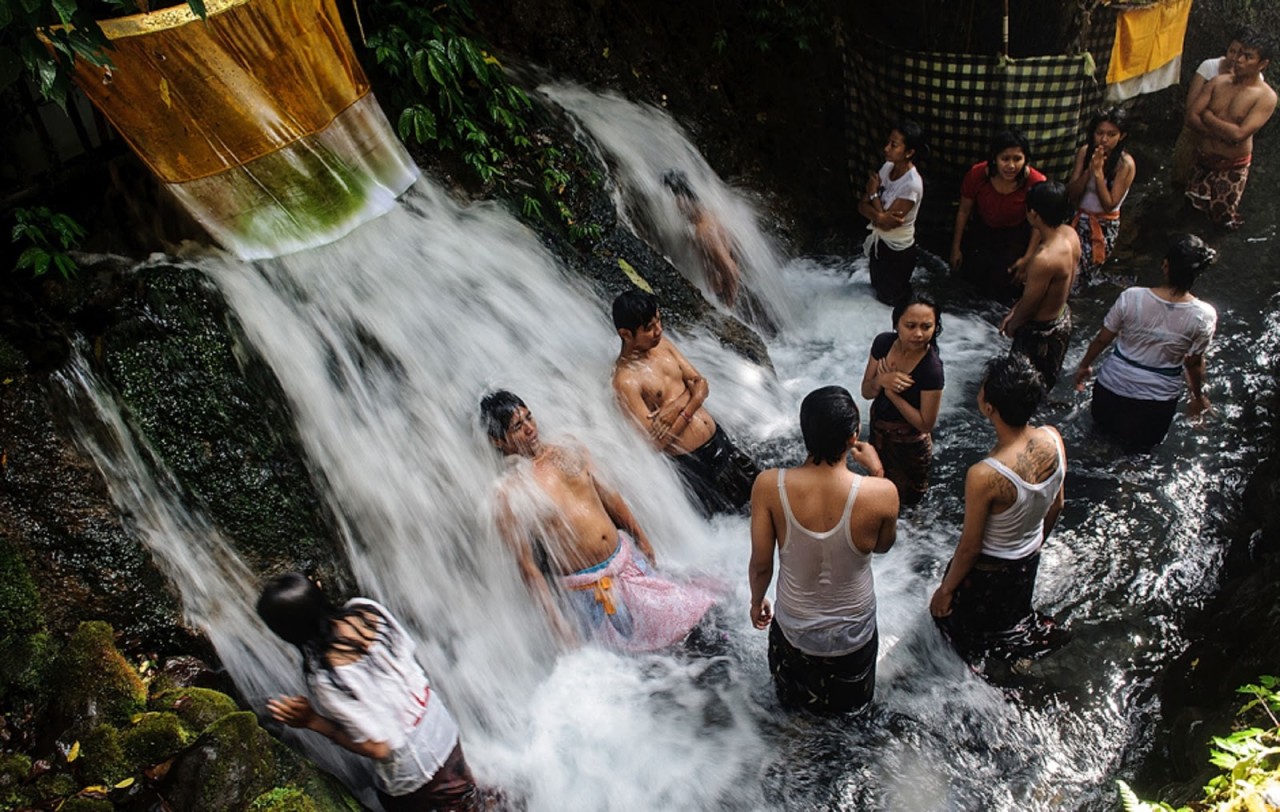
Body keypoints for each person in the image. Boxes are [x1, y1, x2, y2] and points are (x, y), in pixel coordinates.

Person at [480, 390, 714, 652]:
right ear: (499, 441)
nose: (530, 429)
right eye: (517, 427)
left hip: (626, 563)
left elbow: (608, 494)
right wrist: (556, 622)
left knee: (693, 627)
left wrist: (640, 536)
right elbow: (528, 567)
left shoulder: (569, 448)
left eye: (529, 417)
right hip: (588, 590)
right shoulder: (509, 494)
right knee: (643, 661)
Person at [258, 573, 480, 812]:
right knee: (461, 792)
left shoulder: (330, 679)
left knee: (411, 802)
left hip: (416, 767)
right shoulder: (366, 610)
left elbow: (380, 748)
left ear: (288, 635)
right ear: (319, 590)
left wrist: (313, 721)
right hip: (439, 722)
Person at [748, 386, 898, 713]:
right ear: (853, 437)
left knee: (792, 707)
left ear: (805, 432)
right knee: (852, 714)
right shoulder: (882, 493)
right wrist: (877, 473)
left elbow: (761, 564)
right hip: (854, 632)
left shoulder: (769, 486)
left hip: (795, 629)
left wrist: (757, 601)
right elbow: (883, 546)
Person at [929, 355, 1066, 662]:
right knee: (1007, 628)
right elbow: (1057, 504)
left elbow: (970, 547)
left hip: (988, 574)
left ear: (989, 407)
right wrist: (1030, 547)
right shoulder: (1053, 438)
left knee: (963, 638)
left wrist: (945, 591)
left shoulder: (985, 475)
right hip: (1026, 564)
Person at [611, 289, 760, 515]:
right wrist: (693, 400)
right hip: (694, 466)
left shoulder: (663, 346)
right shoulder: (625, 381)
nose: (659, 330)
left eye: (659, 321)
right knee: (734, 524)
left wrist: (676, 408)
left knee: (767, 502)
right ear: (626, 334)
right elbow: (653, 443)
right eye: (649, 328)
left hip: (722, 443)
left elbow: (701, 385)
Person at [1072, 235, 1218, 451]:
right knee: (1139, 457)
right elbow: (1193, 364)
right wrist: (1197, 397)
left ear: (1165, 265)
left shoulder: (1132, 297)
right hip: (1154, 405)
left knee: (1095, 444)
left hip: (1110, 390)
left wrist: (1084, 365)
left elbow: (1103, 339)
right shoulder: (1204, 316)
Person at [1185, 29, 1277, 229]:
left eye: (1248, 57)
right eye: (1240, 53)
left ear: (1263, 64)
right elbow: (1192, 116)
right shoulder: (1218, 82)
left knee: (1221, 223)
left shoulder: (1265, 97)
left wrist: (1209, 117)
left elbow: (1239, 134)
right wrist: (1218, 133)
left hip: (1231, 168)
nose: (1239, 60)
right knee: (1189, 213)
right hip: (1203, 159)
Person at [859, 292, 944, 508]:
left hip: (910, 449)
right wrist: (880, 380)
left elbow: (926, 423)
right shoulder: (883, 344)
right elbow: (866, 391)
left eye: (926, 327)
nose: (918, 334)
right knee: (875, 492)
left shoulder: (931, 369)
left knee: (908, 505)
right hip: (879, 434)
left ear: (935, 328)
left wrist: (892, 394)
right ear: (897, 323)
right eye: (910, 326)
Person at [999, 181, 1080, 393]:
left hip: (1040, 332)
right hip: (1061, 318)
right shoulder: (1070, 235)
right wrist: (1016, 309)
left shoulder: (1045, 258)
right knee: (1045, 383)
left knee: (1021, 388)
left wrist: (1013, 324)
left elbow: (1031, 303)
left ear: (1033, 213)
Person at [950, 129, 1048, 302]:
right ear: (994, 158)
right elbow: (964, 211)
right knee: (970, 282)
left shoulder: (1036, 182)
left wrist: (1028, 258)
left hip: (1015, 236)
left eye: (1017, 159)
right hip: (983, 230)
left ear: (1026, 160)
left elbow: (1038, 224)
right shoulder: (977, 174)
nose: (1011, 166)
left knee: (1005, 283)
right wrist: (955, 247)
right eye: (1005, 159)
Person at [1172, 32, 1254, 187]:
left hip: (1225, 147)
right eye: (1232, 51)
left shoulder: (1254, 81)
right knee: (1181, 180)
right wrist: (1211, 133)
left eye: (1241, 54)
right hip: (1195, 133)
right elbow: (1190, 110)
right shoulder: (1210, 67)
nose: (1235, 58)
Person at [858, 121, 927, 305]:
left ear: (909, 152)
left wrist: (874, 194)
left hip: (898, 251)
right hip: (879, 244)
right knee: (875, 293)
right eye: (888, 142)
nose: (886, 148)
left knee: (890, 301)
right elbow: (861, 206)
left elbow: (886, 224)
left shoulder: (912, 184)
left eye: (894, 145)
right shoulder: (887, 167)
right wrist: (879, 215)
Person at [1066, 108, 1136, 286]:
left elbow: (1109, 204)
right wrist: (1089, 171)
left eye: (1111, 135)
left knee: (1079, 277)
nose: (1104, 139)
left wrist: (1098, 174)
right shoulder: (1085, 152)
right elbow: (1071, 193)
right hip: (1077, 218)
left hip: (1103, 225)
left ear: (1121, 136)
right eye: (1100, 133)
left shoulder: (1125, 164)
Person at [662, 169, 742, 307]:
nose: (674, 207)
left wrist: (728, 309)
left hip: (726, 298)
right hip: (725, 291)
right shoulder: (712, 214)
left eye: (673, 200)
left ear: (681, 200)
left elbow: (732, 272)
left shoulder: (704, 233)